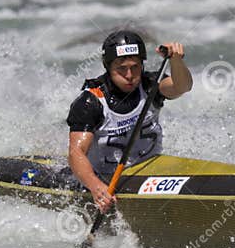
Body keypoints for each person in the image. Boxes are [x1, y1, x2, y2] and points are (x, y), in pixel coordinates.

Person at [67, 30, 192, 213]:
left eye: (135, 67)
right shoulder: (91, 101)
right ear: (108, 67)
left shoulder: (150, 84)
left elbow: (183, 87)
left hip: (148, 168)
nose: (129, 75)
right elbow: (76, 152)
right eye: (121, 68)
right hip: (106, 177)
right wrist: (96, 187)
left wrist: (176, 61)